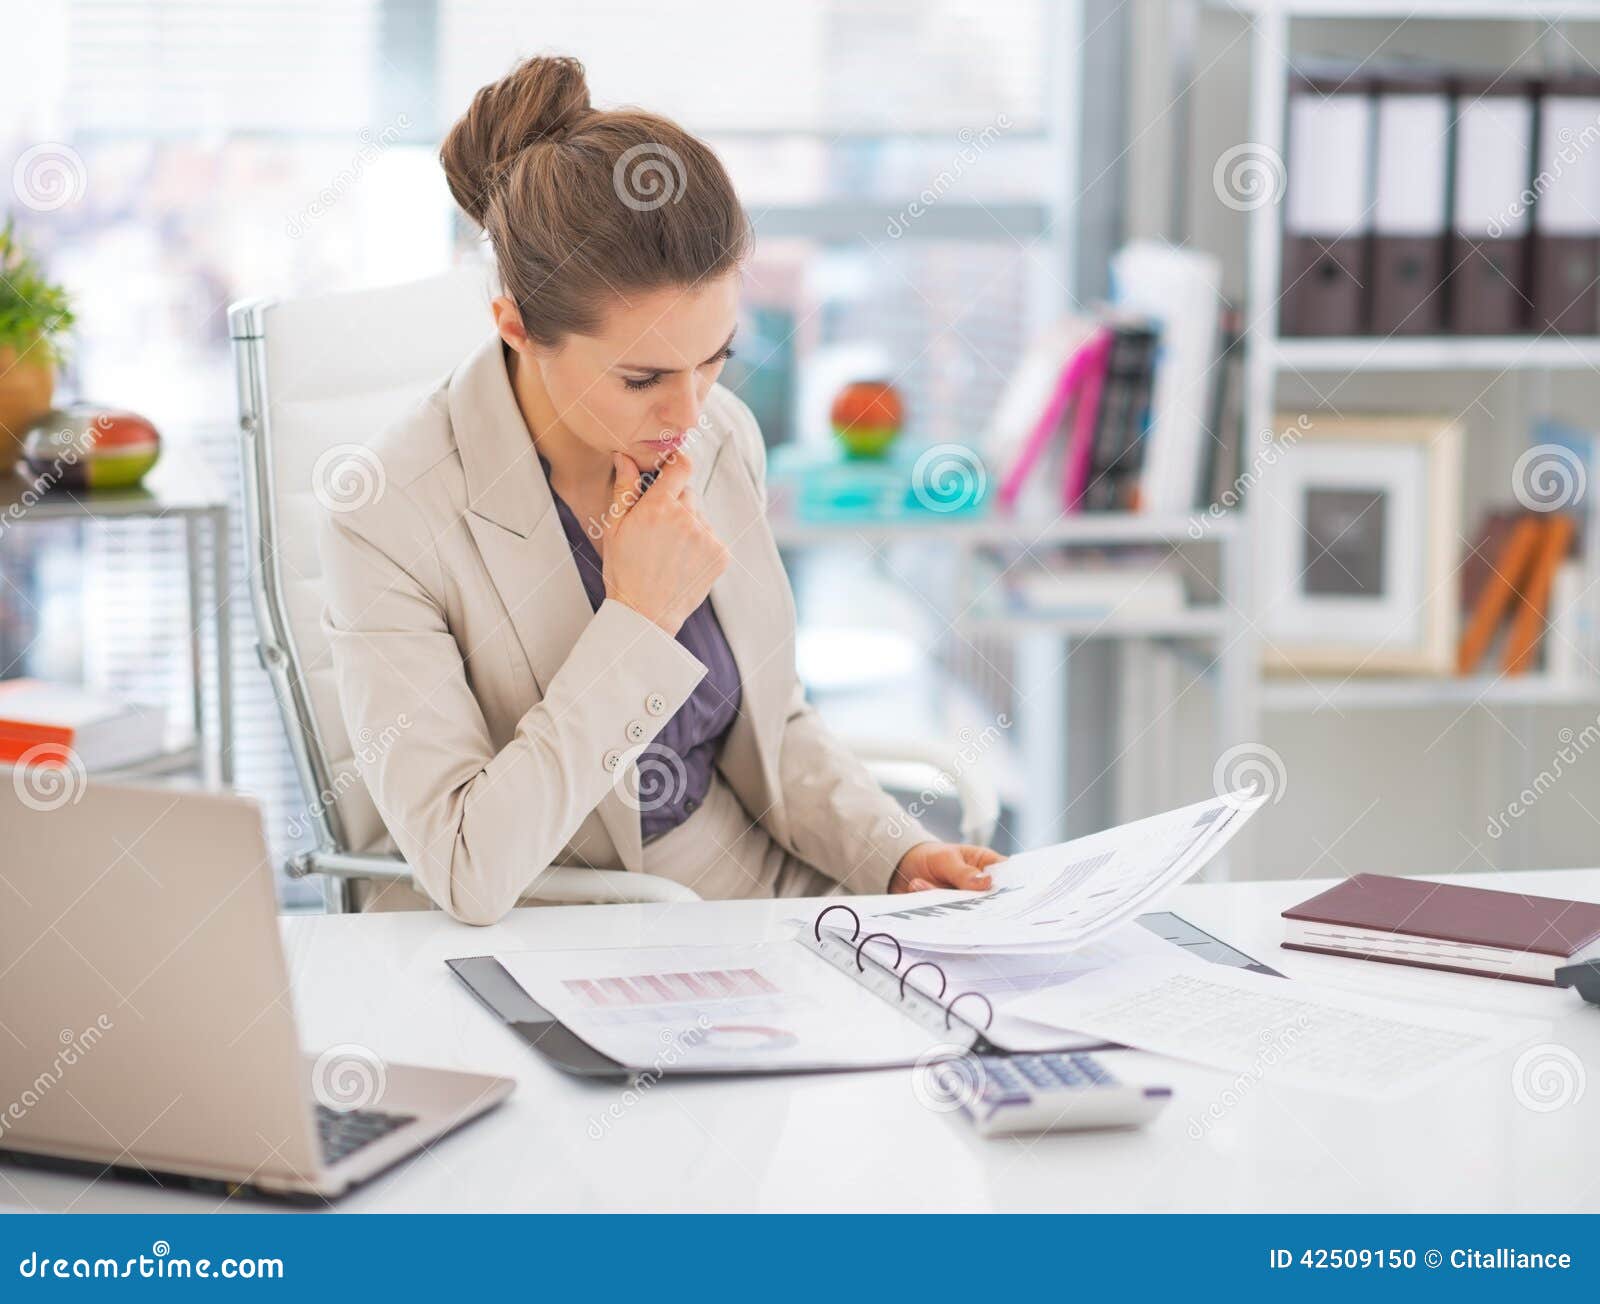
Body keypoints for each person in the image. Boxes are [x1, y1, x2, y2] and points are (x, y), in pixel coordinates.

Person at [317, 54, 1005, 925]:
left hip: (772, 901)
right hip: (564, 927)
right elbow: (466, 867)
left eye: (714, 358)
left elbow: (774, 727)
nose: (690, 409)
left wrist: (894, 853)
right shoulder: (389, 513)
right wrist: (638, 620)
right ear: (518, 329)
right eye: (642, 378)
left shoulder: (720, 439)